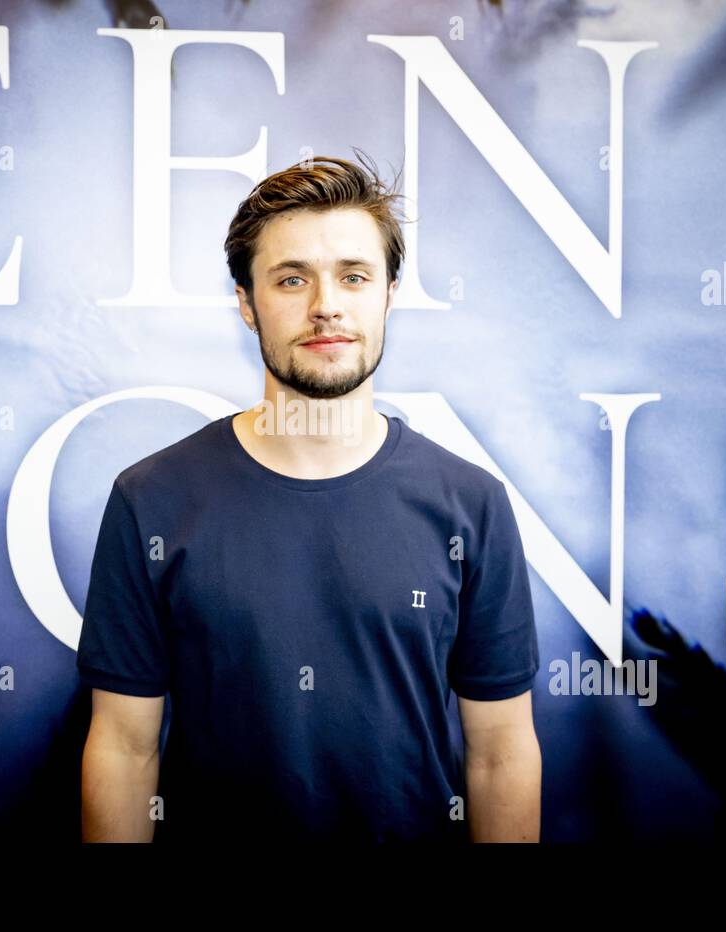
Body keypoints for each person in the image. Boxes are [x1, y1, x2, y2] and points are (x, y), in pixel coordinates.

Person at [78, 151, 541, 842]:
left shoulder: (471, 506)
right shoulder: (152, 501)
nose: (326, 305)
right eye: (291, 279)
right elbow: (123, 746)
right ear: (245, 303)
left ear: (387, 293)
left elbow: (502, 751)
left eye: (353, 276)